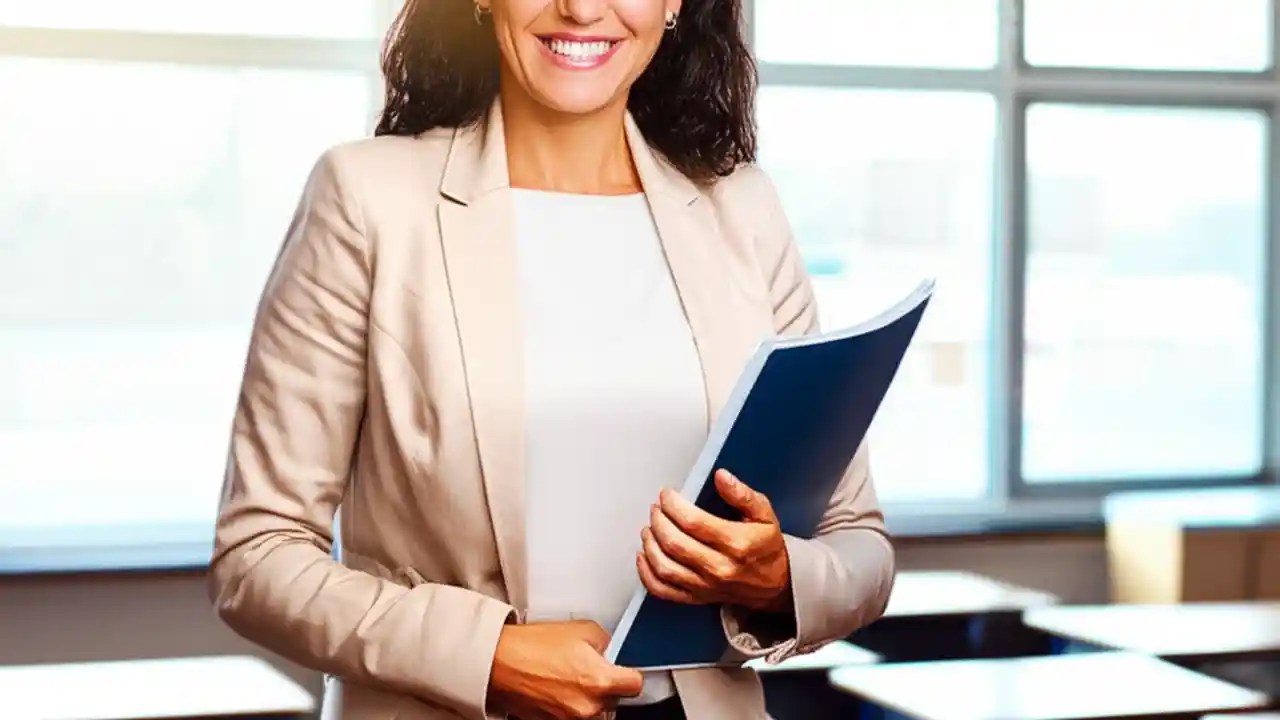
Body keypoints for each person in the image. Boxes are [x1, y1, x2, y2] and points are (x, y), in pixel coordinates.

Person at [207, 0, 895, 718]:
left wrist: (779, 580)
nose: (582, 9)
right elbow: (257, 555)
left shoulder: (742, 209)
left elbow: (858, 544)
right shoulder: (367, 197)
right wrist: (488, 657)